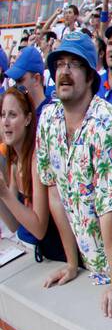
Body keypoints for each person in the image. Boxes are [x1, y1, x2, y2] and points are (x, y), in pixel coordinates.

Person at [34, 31, 112, 317]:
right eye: (60, 64)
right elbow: (54, 192)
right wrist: (72, 263)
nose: (64, 72)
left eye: (74, 64)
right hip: (87, 265)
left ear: (91, 77)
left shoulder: (107, 124)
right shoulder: (47, 119)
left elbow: (110, 208)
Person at [0, 86, 69, 261]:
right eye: (2, 115)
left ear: (28, 119)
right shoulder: (16, 161)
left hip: (62, 257)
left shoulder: (36, 159)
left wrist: (5, 194)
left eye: (12, 115)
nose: (5, 122)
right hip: (45, 257)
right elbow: (14, 224)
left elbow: (39, 229)